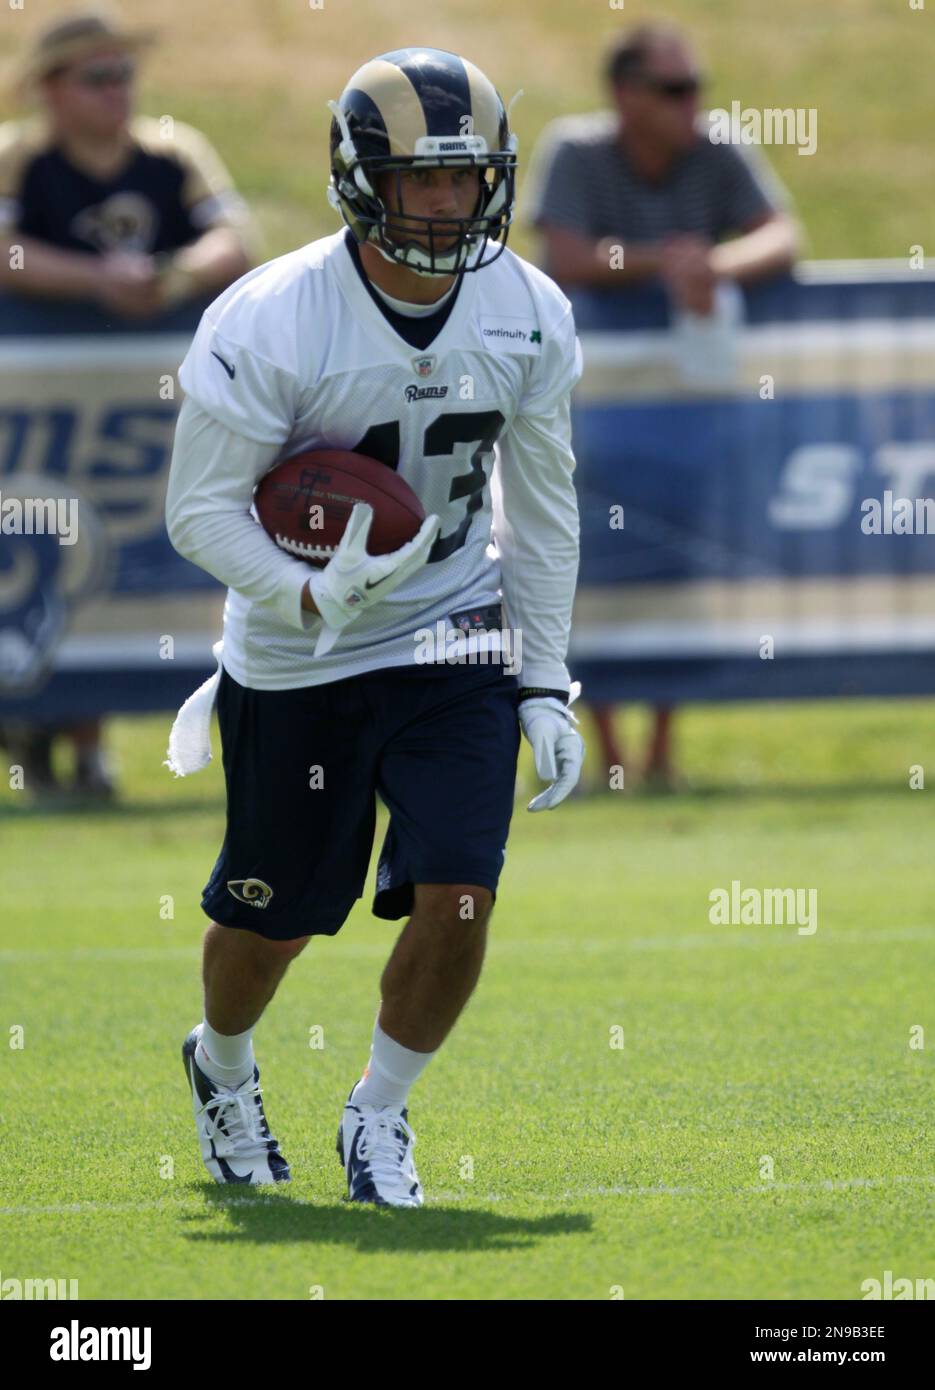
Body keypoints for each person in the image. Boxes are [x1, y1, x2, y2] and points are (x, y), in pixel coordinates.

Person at [165, 48, 586, 1206]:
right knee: (274, 927)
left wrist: (544, 683)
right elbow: (195, 511)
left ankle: (379, 1113)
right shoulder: (272, 318)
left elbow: (542, 518)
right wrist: (302, 591)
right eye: (420, 179)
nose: (447, 204)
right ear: (361, 180)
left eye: (466, 179)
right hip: (298, 654)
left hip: (452, 631)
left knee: (461, 892)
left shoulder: (528, 311)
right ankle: (224, 1064)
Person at [525, 21, 800, 789]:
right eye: (674, 89)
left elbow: (780, 235)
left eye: (695, 87)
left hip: (689, 419)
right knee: (593, 582)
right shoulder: (575, 152)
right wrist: (662, 263)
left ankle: (659, 755)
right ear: (625, 95)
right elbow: (569, 257)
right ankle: (605, 754)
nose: (692, 103)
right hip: (593, 417)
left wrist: (712, 266)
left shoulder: (717, 149)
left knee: (676, 576)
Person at [0, 8, 254, 798]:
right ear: (51, 88)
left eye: (123, 74)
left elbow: (233, 240)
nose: (118, 91)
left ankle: (88, 746)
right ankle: (44, 731)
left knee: (127, 550)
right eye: (97, 76)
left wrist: (170, 280)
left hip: (146, 412)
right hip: (37, 415)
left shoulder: (171, 153)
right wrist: (96, 283)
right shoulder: (21, 157)